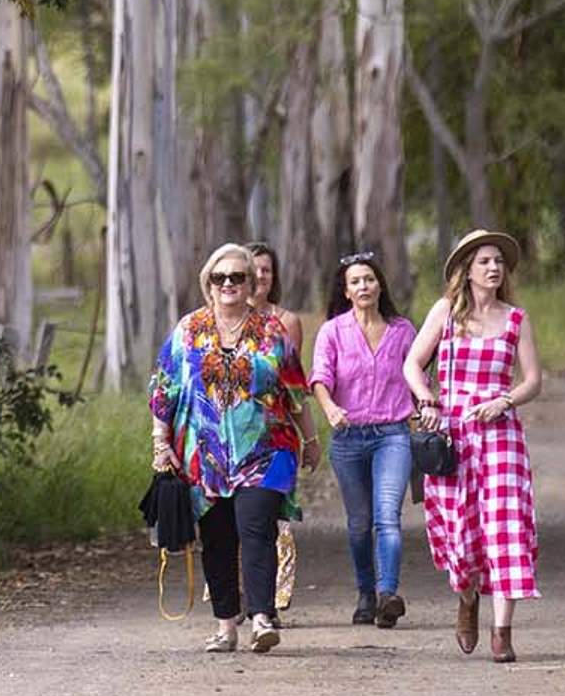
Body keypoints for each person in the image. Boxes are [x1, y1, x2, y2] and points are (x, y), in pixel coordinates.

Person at [151, 243, 313, 654]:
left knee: (255, 527)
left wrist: (310, 440)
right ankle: (226, 626)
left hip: (265, 449)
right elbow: (163, 390)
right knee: (217, 537)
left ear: (251, 283)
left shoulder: (271, 332)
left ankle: (261, 616)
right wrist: (160, 443)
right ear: (209, 283)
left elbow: (295, 391)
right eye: (220, 277)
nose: (228, 284)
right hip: (202, 455)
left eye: (237, 277)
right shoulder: (189, 330)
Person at [403, 228, 547, 664]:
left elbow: (533, 380)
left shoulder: (516, 319)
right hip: (453, 435)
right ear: (467, 270)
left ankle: (502, 631)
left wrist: (503, 400)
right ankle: (467, 595)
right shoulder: (446, 312)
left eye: (499, 262)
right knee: (460, 537)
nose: (493, 268)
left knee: (506, 530)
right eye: (484, 261)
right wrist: (427, 399)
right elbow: (411, 363)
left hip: (500, 436)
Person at [310, 251, 416, 628]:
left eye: (369, 279)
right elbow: (319, 378)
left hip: (392, 435)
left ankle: (389, 594)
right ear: (346, 290)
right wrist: (330, 409)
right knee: (359, 523)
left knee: (388, 516)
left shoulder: (403, 330)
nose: (364, 286)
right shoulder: (333, 331)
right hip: (348, 438)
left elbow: (417, 373)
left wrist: (426, 405)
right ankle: (365, 593)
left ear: (379, 284)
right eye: (355, 281)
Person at [246, 242, 316, 615]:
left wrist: (310, 436)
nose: (259, 277)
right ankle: (237, 594)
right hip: (227, 441)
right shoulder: (210, 322)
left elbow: (292, 384)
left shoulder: (284, 323)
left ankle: (272, 597)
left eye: (266, 270)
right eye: (252, 269)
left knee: (272, 520)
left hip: (274, 436)